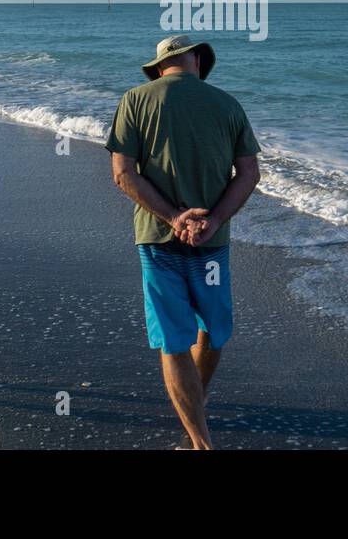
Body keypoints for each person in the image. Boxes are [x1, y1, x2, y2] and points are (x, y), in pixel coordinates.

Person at [106, 34, 261, 449]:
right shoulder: (227, 104)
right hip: (211, 244)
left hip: (158, 239)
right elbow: (248, 174)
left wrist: (174, 216)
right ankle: (198, 401)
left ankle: (201, 441)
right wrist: (212, 220)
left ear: (160, 67)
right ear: (196, 60)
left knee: (174, 340)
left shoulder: (136, 100)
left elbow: (123, 174)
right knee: (211, 330)